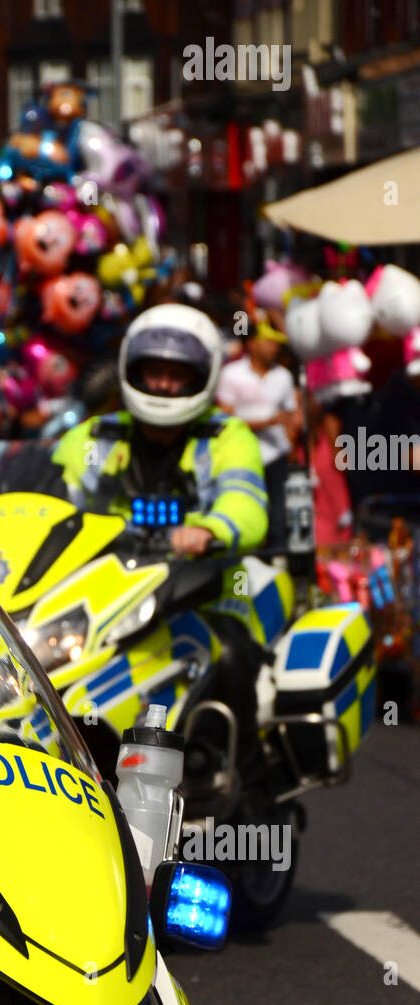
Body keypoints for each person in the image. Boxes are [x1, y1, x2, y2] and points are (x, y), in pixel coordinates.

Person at [52, 303, 269, 784]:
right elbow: (45, 493)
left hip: (205, 585)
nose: (165, 385)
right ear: (131, 370)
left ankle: (237, 782)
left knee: (233, 654)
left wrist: (209, 530)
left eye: (178, 374)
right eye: (154, 371)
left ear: (203, 377)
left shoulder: (227, 436)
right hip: (105, 585)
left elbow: (247, 504)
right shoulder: (94, 436)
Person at [215, 315, 301, 546]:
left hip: (276, 455)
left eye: (276, 343)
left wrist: (290, 444)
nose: (274, 347)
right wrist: (266, 422)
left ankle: (279, 562)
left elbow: (293, 414)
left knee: (279, 518)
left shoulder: (283, 376)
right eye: (268, 341)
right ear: (251, 343)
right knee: (244, 509)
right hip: (241, 456)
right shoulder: (231, 374)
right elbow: (225, 418)